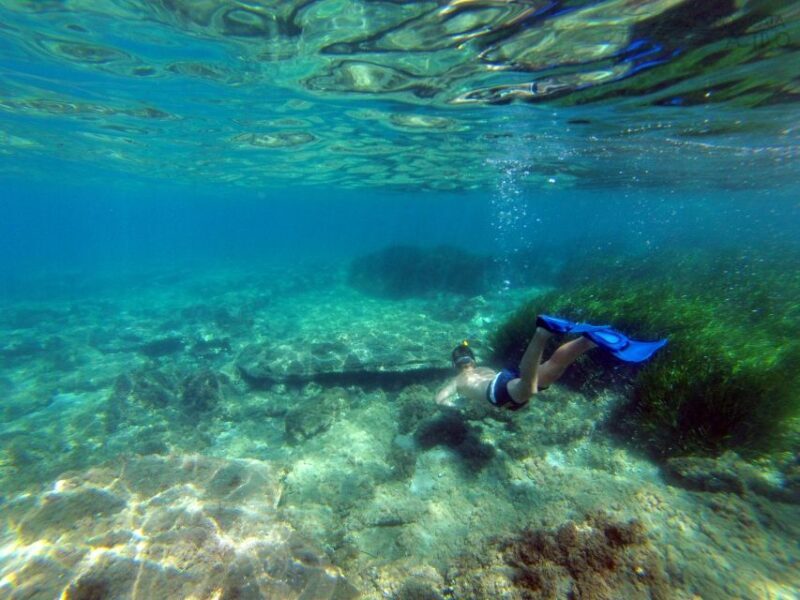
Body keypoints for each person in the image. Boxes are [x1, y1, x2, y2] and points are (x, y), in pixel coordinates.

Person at [435, 314, 667, 410]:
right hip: (502, 377)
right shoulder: (483, 368)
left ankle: (542, 332)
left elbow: (439, 399)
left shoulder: (456, 380)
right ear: (472, 361)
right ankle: (587, 341)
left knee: (529, 388)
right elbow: (495, 377)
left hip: (497, 393)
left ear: (456, 365)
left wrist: (456, 406)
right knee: (552, 369)